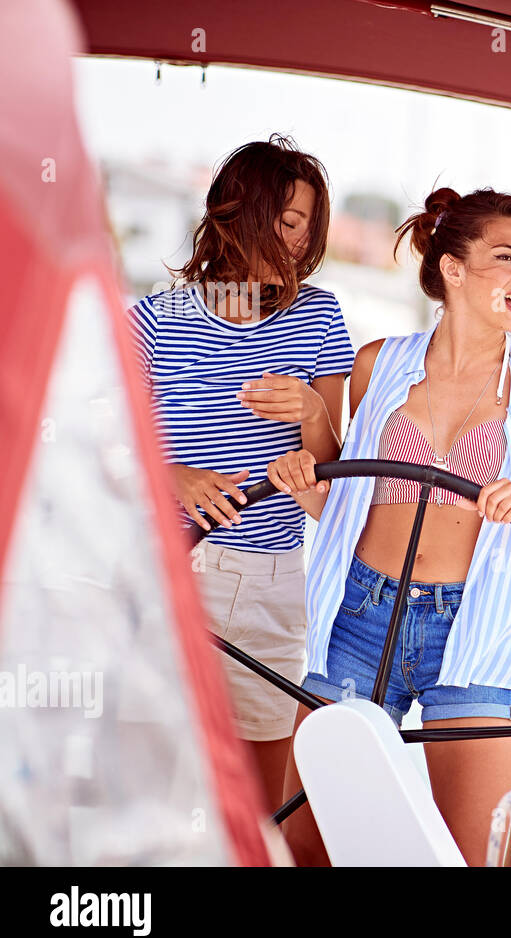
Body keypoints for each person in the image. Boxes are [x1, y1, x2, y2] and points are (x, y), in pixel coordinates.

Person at [267, 187, 511, 867]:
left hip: (477, 629)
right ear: (451, 267)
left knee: (471, 856)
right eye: (507, 258)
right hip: (360, 615)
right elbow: (352, 505)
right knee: (307, 847)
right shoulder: (377, 363)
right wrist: (306, 485)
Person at [126, 136, 353, 815]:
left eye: (307, 226)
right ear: (237, 213)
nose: (298, 241)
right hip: (164, 570)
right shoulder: (155, 321)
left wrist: (313, 412)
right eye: (285, 221)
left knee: (260, 805)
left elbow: (330, 488)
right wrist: (177, 477)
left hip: (270, 579)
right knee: (150, 793)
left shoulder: (319, 318)